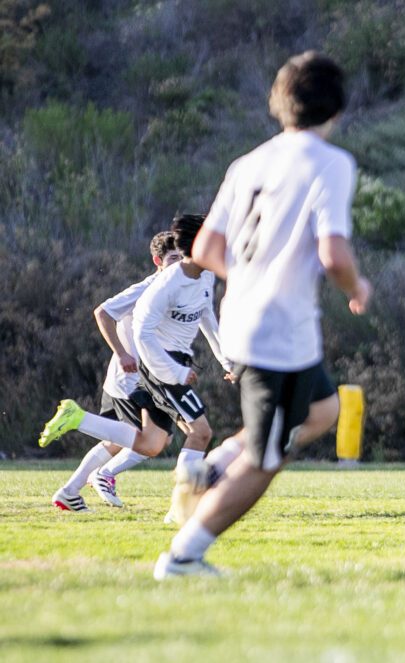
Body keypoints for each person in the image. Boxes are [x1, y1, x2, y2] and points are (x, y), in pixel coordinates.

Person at [152, 50, 370, 579]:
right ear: (337, 107)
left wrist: (248, 277)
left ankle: (214, 464)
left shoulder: (248, 163)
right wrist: (356, 285)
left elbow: (203, 247)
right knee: (270, 459)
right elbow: (334, 254)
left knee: (322, 412)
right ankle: (183, 556)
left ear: (280, 102)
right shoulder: (331, 163)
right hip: (277, 333)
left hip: (258, 325)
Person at [39, 215, 235, 521]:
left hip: (161, 366)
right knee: (197, 432)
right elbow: (110, 317)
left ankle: (74, 471)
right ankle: (176, 506)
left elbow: (207, 317)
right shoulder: (158, 286)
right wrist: (129, 357)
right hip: (149, 369)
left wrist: (226, 360)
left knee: (152, 443)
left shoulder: (204, 277)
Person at [47, 231, 182, 511]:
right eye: (173, 258)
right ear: (157, 260)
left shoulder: (175, 290)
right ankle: (99, 464)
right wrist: (122, 353)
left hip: (134, 379)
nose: (179, 263)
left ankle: (69, 492)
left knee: (114, 441)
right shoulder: (148, 288)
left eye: (182, 257)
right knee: (158, 438)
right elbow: (102, 313)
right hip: (131, 380)